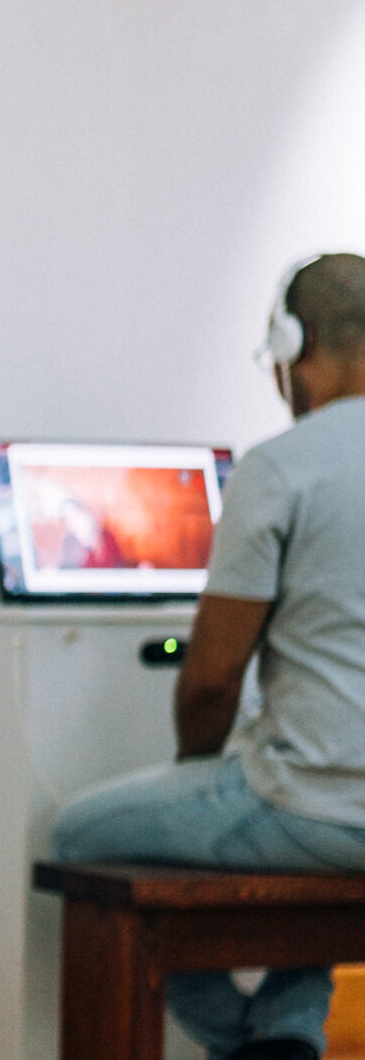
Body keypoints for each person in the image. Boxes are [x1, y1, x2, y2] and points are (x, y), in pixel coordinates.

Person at [50, 254, 365, 1060]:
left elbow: (212, 679)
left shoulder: (280, 466)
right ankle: (290, 1027)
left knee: (78, 833)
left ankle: (258, 1044)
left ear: (295, 345)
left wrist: (195, 771)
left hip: (313, 808)